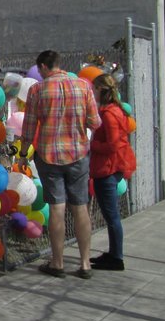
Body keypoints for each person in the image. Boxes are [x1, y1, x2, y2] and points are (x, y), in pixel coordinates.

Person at [17, 50, 101, 279]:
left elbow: (29, 129)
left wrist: (23, 154)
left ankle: (58, 262)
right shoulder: (83, 87)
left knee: (57, 207)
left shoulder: (38, 90)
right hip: (78, 154)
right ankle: (85, 264)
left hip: (49, 155)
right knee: (80, 206)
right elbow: (95, 122)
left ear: (44, 67)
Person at [88, 73, 136, 271]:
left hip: (108, 167)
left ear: (101, 90)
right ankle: (114, 252)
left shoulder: (109, 113)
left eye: (94, 88)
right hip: (111, 166)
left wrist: (93, 144)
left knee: (111, 214)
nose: (92, 92)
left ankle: (117, 258)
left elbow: (113, 143)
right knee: (111, 214)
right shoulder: (114, 110)